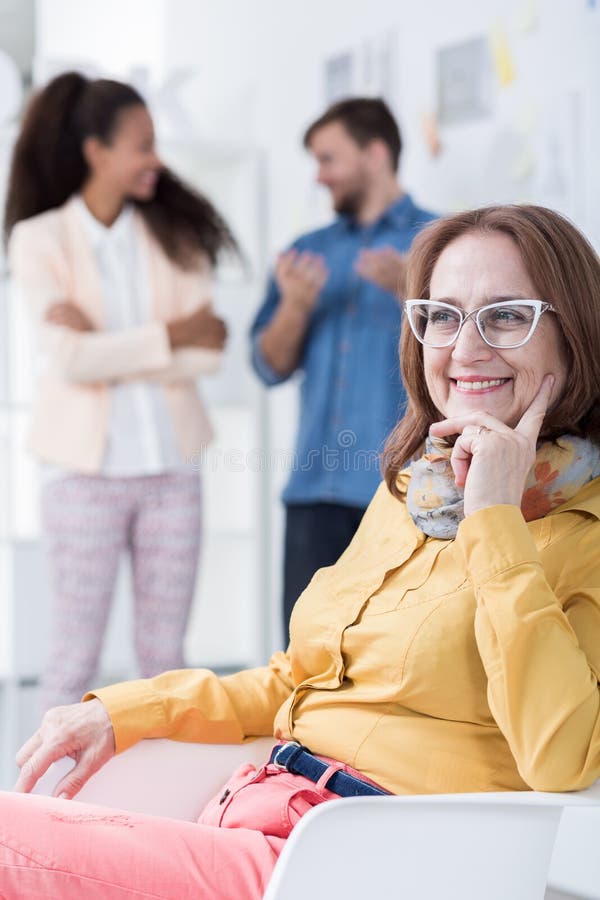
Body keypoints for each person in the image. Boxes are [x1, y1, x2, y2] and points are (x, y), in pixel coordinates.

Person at [3, 204, 600, 900]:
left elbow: (562, 761)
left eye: (506, 315)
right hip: (253, 813)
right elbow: (298, 678)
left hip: (358, 860)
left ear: (575, 333)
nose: (465, 348)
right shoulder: (418, 488)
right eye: (442, 314)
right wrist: (125, 711)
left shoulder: (582, 536)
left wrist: (495, 517)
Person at [3, 72, 236, 712]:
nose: (155, 159)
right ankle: (40, 806)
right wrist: (168, 334)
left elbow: (208, 351)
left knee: (166, 659)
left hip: (172, 470)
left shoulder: (175, 233)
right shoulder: (39, 239)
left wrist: (112, 344)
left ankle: (156, 806)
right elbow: (71, 361)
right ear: (96, 151)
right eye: (143, 143)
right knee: (73, 657)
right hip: (82, 474)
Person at [250, 97, 436, 635]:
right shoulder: (306, 254)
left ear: (375, 153)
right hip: (313, 492)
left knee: (403, 653)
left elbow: (476, 351)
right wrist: (294, 307)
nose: (320, 175)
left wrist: (416, 290)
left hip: (408, 492)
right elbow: (268, 366)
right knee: (304, 658)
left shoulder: (443, 243)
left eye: (328, 159)